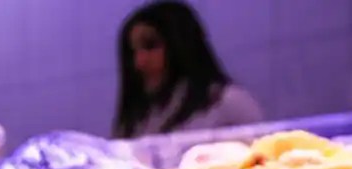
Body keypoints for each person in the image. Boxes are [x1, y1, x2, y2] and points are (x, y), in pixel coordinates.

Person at [113, 1, 263, 139]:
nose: (139, 62)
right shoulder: (137, 121)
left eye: (151, 45)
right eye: (132, 52)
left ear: (181, 45)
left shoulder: (228, 103)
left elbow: (261, 159)